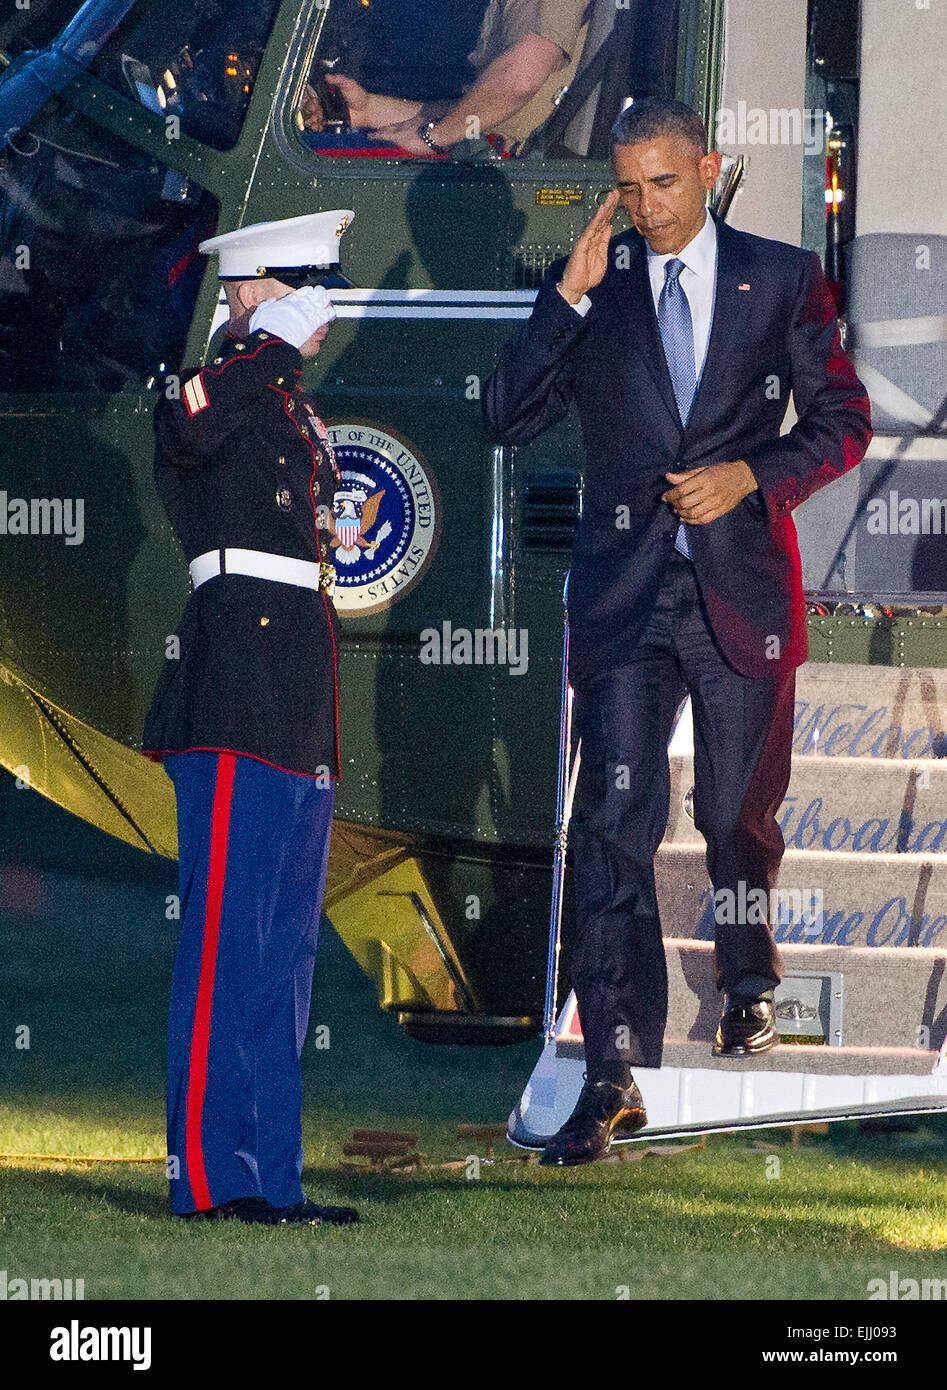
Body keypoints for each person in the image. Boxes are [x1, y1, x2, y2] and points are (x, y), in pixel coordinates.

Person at [484, 99, 872, 1166]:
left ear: (704, 167)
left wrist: (753, 474)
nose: (647, 208)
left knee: (732, 817)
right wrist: (559, 299)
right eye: (629, 186)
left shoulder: (782, 277)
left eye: (663, 183)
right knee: (609, 821)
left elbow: (843, 420)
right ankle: (613, 1065)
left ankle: (748, 982)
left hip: (740, 594)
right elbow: (504, 414)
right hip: (622, 601)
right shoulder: (592, 293)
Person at [141, 210, 361, 1225]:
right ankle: (208, 1175)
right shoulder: (214, 391)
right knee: (227, 944)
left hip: (295, 698)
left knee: (283, 954)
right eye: (305, 289)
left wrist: (273, 350)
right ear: (255, 291)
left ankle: (273, 1176)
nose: (325, 309)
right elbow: (187, 425)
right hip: (231, 688)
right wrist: (260, 339)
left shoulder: (284, 407)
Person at [303, 0, 590, 155]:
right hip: (484, 153)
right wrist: (367, 110)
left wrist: (433, 138)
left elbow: (520, 80)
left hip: (500, 163)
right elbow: (474, 112)